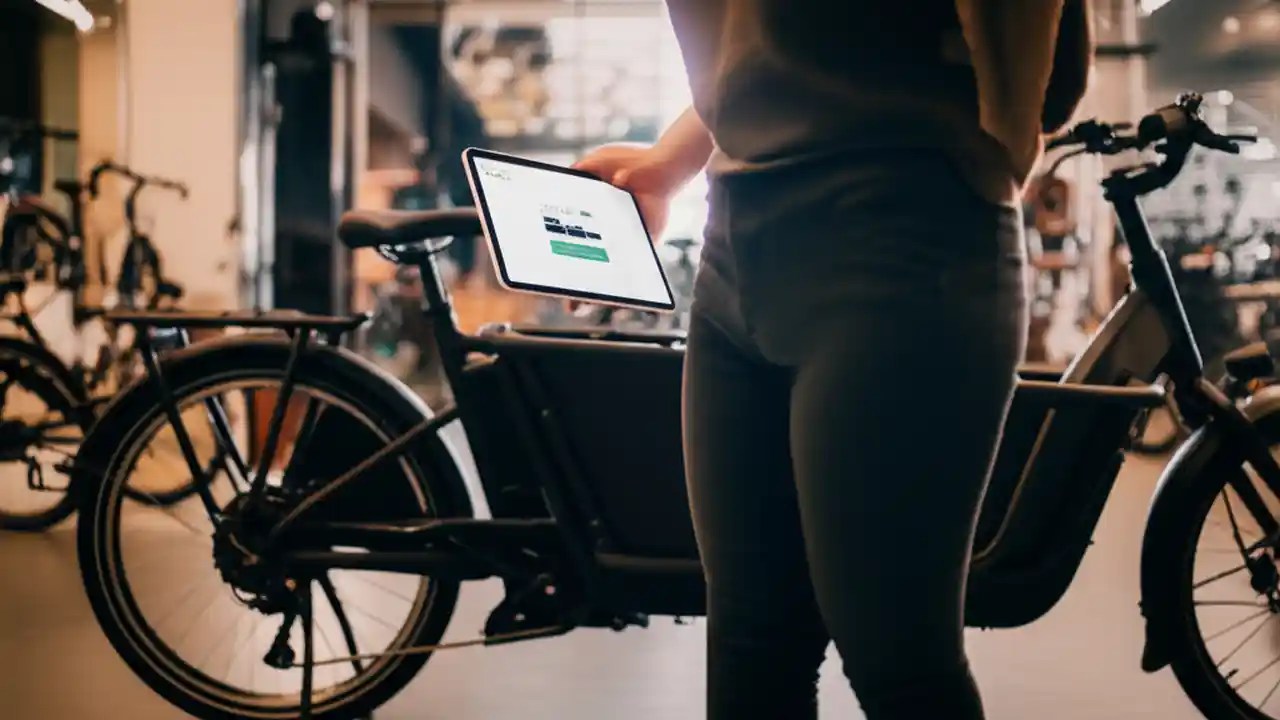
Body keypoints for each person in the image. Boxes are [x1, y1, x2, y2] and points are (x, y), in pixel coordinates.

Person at [575, 2, 1093, 718]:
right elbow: (756, 41)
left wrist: (999, 127)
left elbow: (1034, 76)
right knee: (751, 646)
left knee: (895, 657)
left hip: (901, 238)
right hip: (737, 246)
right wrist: (673, 162)